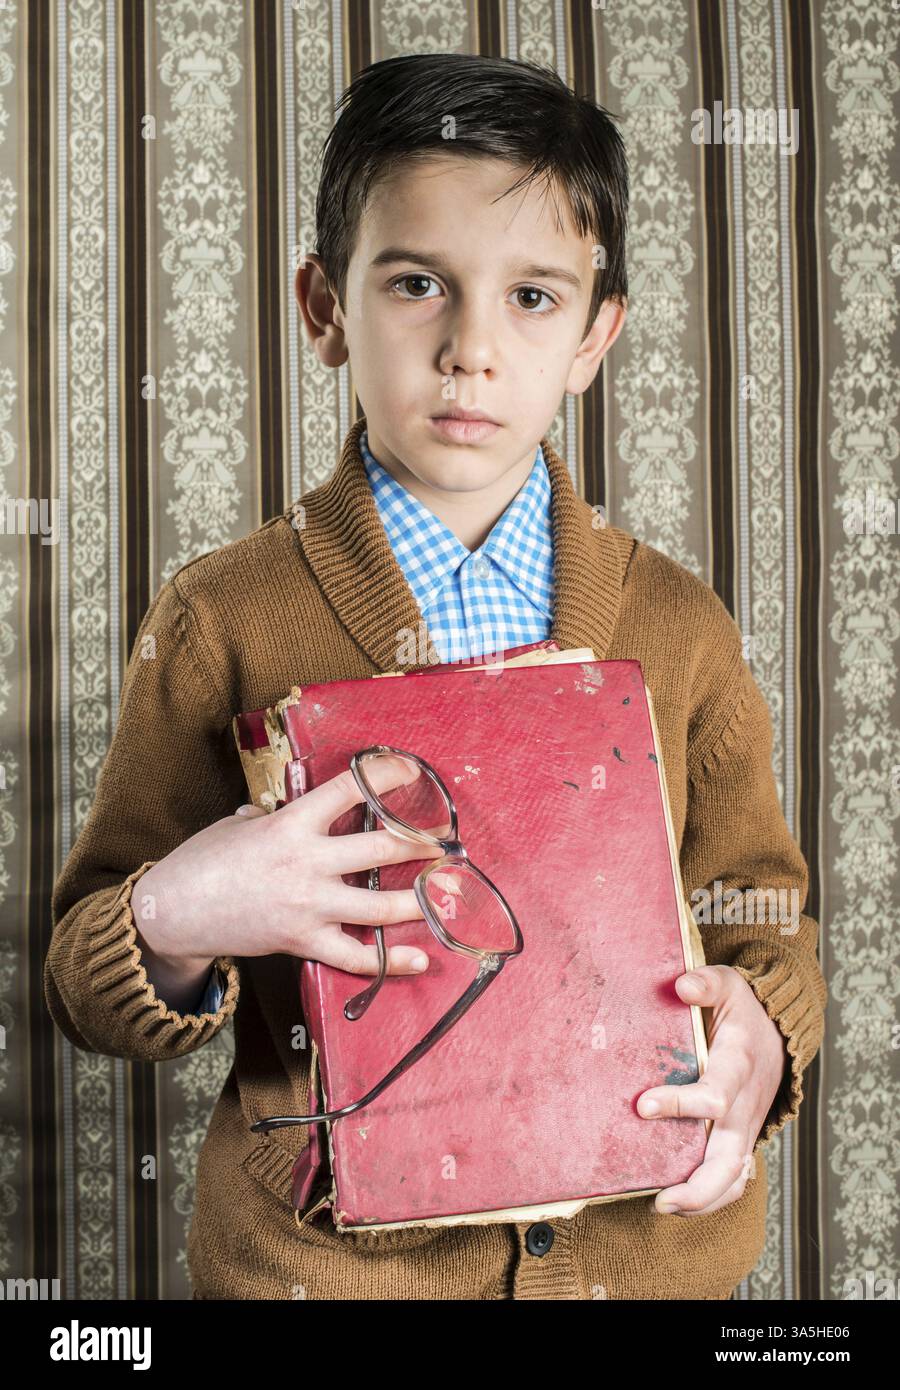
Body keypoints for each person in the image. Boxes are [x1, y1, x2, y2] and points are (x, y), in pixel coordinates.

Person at [46, 52, 826, 1301]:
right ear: (325, 306)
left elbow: (760, 914)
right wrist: (181, 911)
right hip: (321, 1278)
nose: (471, 347)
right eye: (418, 284)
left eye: (531, 296)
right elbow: (84, 974)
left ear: (594, 336)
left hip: (644, 1271)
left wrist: (761, 1037)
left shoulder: (678, 626)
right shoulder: (219, 618)